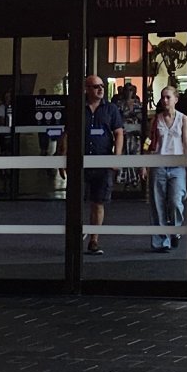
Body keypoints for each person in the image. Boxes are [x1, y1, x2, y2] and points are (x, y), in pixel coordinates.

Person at [81, 74, 123, 255]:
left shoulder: (111, 109)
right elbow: (69, 133)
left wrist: (116, 157)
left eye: (102, 86)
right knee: (77, 202)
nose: (100, 89)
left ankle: (94, 240)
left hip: (102, 162)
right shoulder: (79, 108)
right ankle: (76, 236)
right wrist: (63, 155)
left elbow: (119, 133)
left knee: (98, 202)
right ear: (87, 89)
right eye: (96, 86)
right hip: (81, 162)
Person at [147, 87, 187, 251]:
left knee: (175, 201)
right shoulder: (155, 120)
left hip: (177, 165)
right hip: (159, 164)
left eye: (168, 97)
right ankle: (161, 241)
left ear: (175, 99)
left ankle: (175, 231)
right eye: (162, 97)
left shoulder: (183, 119)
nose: (165, 100)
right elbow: (149, 142)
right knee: (158, 204)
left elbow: (186, 143)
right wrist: (144, 163)